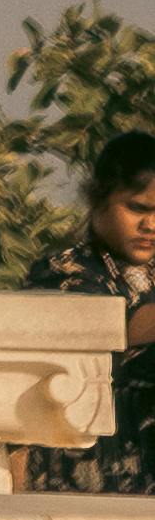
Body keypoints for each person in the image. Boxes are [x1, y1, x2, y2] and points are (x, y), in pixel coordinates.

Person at [24, 131, 155, 493]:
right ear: (98, 202)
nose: (150, 226)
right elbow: (110, 323)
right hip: (82, 479)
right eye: (137, 209)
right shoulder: (61, 271)